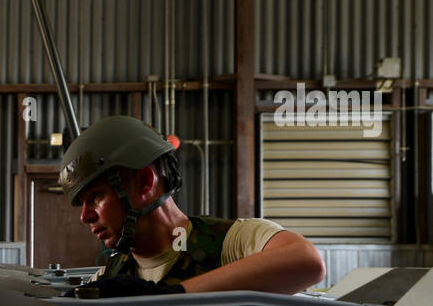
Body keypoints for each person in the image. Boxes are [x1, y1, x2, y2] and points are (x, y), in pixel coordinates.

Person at [57, 115, 325, 296]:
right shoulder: (109, 279)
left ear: (144, 182)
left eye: (96, 197)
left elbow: (307, 261)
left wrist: (171, 297)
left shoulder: (230, 243)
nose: (85, 216)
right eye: (82, 203)